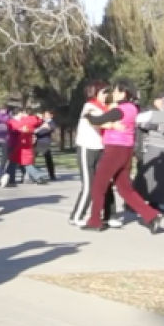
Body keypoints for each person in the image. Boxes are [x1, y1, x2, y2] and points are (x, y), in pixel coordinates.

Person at [81, 80, 164, 234]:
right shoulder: (133, 109)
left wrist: (87, 114)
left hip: (114, 150)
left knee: (99, 185)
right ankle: (151, 216)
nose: (113, 94)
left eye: (115, 91)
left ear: (123, 93)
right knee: (125, 189)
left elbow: (97, 120)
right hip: (126, 151)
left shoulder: (120, 110)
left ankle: (95, 221)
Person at [68, 81, 118, 227]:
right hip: (87, 148)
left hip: (101, 148)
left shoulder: (105, 107)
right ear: (94, 92)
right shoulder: (90, 106)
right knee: (89, 186)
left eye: (107, 92)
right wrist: (113, 123)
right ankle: (76, 216)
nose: (106, 95)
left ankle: (110, 215)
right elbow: (98, 122)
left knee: (105, 183)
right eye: (103, 92)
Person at [4, 107, 46, 186]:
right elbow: (14, 129)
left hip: (21, 144)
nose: (23, 114)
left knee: (20, 162)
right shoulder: (12, 122)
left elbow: (34, 122)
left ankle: (10, 178)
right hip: (15, 144)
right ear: (19, 113)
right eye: (22, 113)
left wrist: (39, 119)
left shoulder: (22, 121)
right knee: (17, 162)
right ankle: (11, 178)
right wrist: (39, 119)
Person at [35, 110, 57, 181]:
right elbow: (35, 129)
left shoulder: (51, 122)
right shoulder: (41, 121)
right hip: (37, 142)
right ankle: (31, 174)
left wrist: (45, 127)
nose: (45, 116)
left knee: (48, 159)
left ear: (51, 116)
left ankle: (52, 175)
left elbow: (51, 129)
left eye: (47, 115)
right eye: (45, 114)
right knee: (32, 158)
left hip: (45, 142)